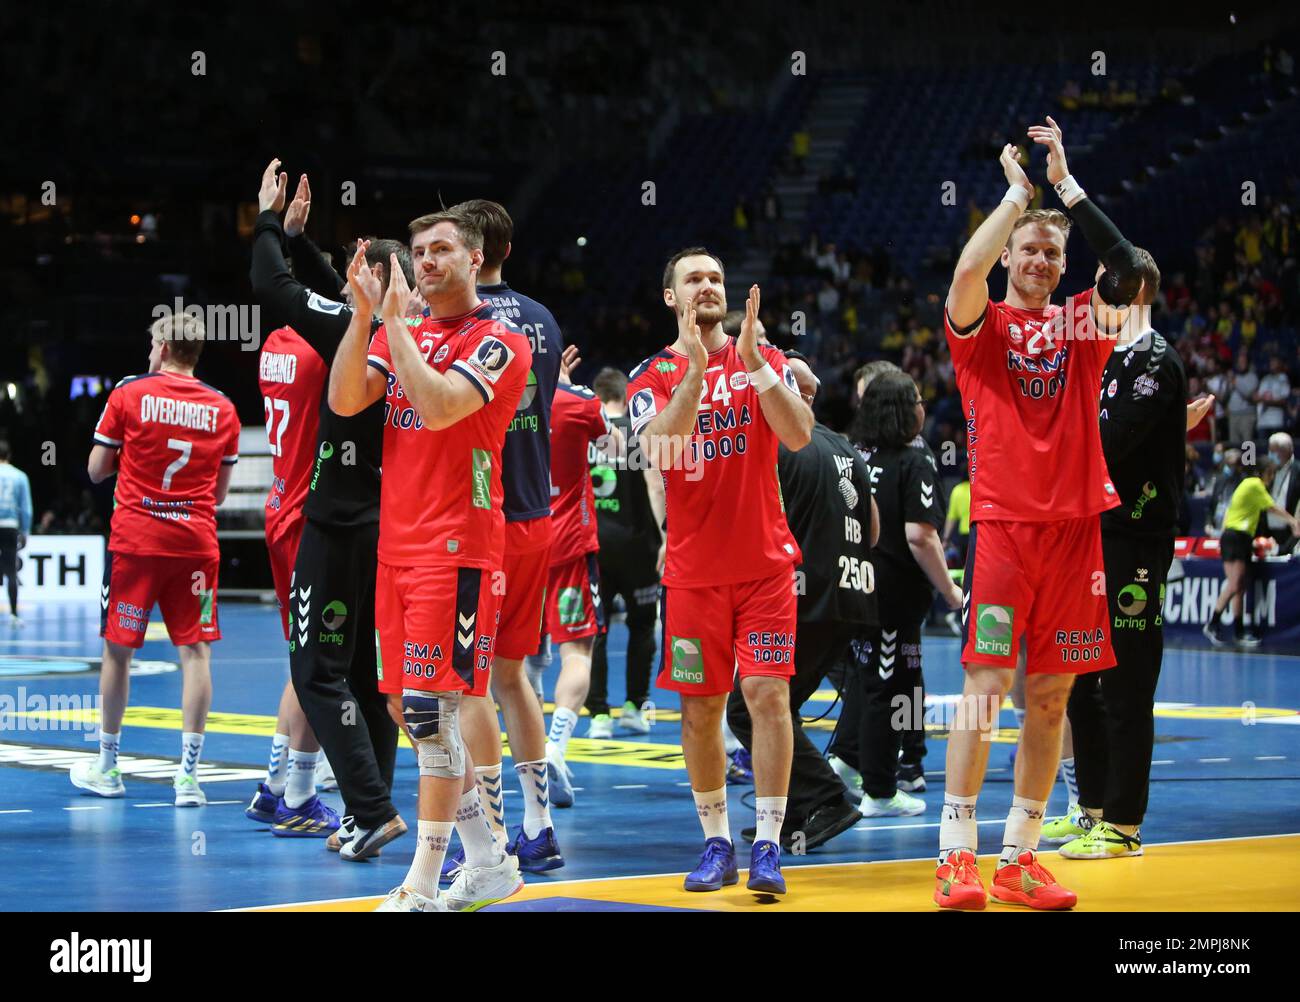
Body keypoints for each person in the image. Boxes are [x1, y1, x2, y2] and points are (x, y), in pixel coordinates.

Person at [935, 117, 1146, 910]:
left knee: (1051, 698)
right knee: (987, 690)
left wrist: (1068, 191)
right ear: (1011, 257)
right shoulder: (982, 328)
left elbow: (1129, 270)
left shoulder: (1083, 324)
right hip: (1004, 531)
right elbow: (964, 271)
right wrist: (1018, 197)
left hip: (1076, 534)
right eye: (1029, 249)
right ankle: (957, 854)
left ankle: (1019, 855)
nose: (1040, 260)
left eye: (1052, 252)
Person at [328, 206, 530, 912]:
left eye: (442, 248)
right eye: (418, 251)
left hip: (460, 546)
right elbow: (347, 397)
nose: (427, 261)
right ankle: (490, 864)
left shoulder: (499, 339)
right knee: (401, 704)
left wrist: (394, 328)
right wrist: (363, 317)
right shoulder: (403, 332)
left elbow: (443, 406)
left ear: (476, 259)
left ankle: (421, 881)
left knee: (430, 712)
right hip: (398, 545)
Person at [628, 247, 813, 895]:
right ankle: (717, 843)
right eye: (693, 279)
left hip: (765, 566)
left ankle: (768, 843)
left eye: (716, 278)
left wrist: (760, 365)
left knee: (767, 696)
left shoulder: (766, 358)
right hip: (692, 573)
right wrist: (695, 374)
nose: (707, 286)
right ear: (671, 298)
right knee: (701, 711)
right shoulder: (648, 376)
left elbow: (799, 434)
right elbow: (657, 448)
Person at [247, 163, 404, 850]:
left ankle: (369, 809)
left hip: (336, 519)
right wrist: (300, 237)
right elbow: (331, 287)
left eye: (358, 266)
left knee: (316, 671)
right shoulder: (412, 336)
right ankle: (372, 810)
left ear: (372, 280)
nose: (348, 272)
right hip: (386, 520)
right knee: (370, 679)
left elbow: (275, 288)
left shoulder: (351, 326)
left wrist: (263, 223)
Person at [1046, 250, 1189, 858]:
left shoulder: (1156, 360)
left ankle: (1124, 827)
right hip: (1091, 536)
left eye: (1105, 287)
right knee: (1083, 680)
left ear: (1132, 294)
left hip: (1134, 539)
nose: (1092, 296)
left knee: (1128, 684)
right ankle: (1092, 808)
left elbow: (1107, 443)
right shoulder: (1108, 358)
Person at [442, 198, 565, 881]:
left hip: (479, 520)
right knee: (514, 676)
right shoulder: (542, 321)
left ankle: (484, 835)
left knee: (467, 684)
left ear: (471, 253)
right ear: (507, 250)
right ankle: (538, 826)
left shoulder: (460, 327)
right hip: (536, 512)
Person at [73, 312, 240, 807]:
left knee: (118, 651)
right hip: (194, 546)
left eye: (152, 343)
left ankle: (108, 766)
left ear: (165, 347)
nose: (150, 351)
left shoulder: (128, 393)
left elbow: (97, 470)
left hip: (136, 544)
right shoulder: (224, 408)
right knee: (196, 653)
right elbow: (221, 494)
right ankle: (188, 779)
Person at [727, 351, 878, 851]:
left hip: (802, 594)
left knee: (750, 710)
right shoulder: (845, 447)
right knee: (778, 706)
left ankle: (828, 798)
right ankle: (788, 812)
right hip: (854, 592)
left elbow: (760, 523)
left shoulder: (778, 445)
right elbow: (873, 527)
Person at [829, 370, 963, 818]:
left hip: (855, 587)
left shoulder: (852, 454)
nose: (924, 407)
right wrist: (951, 591)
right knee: (888, 689)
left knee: (870, 684)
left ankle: (847, 764)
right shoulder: (914, 459)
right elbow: (920, 537)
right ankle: (881, 791)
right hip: (894, 596)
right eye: (918, 400)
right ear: (903, 410)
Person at [541, 356, 620, 805]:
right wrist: (569, 386)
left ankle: (533, 762)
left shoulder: (502, 395)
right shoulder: (579, 402)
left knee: (519, 664)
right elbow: (612, 445)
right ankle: (556, 746)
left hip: (518, 544)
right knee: (577, 652)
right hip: (569, 547)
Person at [586, 367, 661, 739]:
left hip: (594, 545)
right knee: (643, 626)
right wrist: (665, 536)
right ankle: (634, 706)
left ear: (597, 395)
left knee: (595, 630)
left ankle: (598, 714)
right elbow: (656, 487)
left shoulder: (585, 429)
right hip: (640, 547)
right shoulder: (640, 432)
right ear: (626, 395)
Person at [1203, 458, 1299, 648]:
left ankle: (1239, 632)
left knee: (1240, 587)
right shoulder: (1254, 484)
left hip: (1242, 538)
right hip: (1235, 537)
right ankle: (1213, 623)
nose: (1271, 478)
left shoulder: (1250, 485)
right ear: (1265, 472)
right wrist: (1293, 522)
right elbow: (1272, 508)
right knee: (1235, 584)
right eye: (1270, 473)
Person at [0, 441, 32, 628]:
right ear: (9, 455)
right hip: (10, 526)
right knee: (11, 571)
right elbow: (26, 509)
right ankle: (13, 614)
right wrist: (25, 531)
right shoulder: (20, 476)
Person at [1265, 433, 1300, 552]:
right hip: (1269, 534)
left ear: (1286, 451)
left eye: (1273, 451)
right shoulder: (1267, 470)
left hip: (1291, 533)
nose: (1270, 455)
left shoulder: (1298, 471)